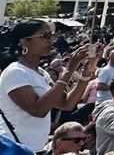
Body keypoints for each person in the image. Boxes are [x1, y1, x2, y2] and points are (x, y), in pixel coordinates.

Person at [0, 20, 94, 152]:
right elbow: (38, 110)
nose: (51, 40)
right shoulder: (15, 72)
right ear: (24, 42)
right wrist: (69, 71)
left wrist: (86, 73)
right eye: (45, 36)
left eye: (52, 35)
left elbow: (66, 103)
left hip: (36, 148)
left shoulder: (42, 73)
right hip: (13, 147)